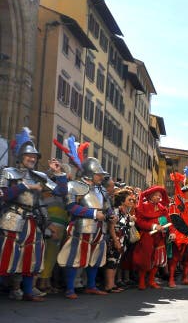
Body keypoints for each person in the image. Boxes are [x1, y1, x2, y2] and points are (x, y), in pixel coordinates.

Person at [0, 128, 68, 301]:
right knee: (9, 255)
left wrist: (59, 173)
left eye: (34, 157)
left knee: (33, 256)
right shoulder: (8, 172)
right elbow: (4, 195)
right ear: (21, 157)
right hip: (13, 217)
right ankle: (13, 288)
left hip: (34, 220)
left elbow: (60, 191)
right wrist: (25, 186)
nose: (32, 159)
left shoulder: (40, 176)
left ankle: (28, 291)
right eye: (29, 156)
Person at [57, 149, 113, 299]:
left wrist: (109, 214)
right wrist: (93, 213)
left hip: (100, 228)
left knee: (96, 257)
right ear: (89, 173)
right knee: (74, 257)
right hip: (80, 227)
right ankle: (70, 288)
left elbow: (107, 207)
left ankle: (91, 286)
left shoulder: (101, 190)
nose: (101, 177)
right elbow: (71, 207)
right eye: (98, 174)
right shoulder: (74, 186)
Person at [131, 186, 169, 290]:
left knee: (158, 259)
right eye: (156, 195)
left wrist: (167, 229)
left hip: (160, 236)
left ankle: (152, 280)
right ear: (150, 197)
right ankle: (142, 281)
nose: (158, 197)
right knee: (145, 258)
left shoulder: (162, 208)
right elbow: (139, 222)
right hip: (147, 236)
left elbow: (168, 220)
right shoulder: (143, 206)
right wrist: (153, 226)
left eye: (159, 195)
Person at [168, 170, 188, 287]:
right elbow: (177, 222)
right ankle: (171, 279)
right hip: (178, 236)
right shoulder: (175, 206)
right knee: (175, 259)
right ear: (183, 193)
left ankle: (185, 278)